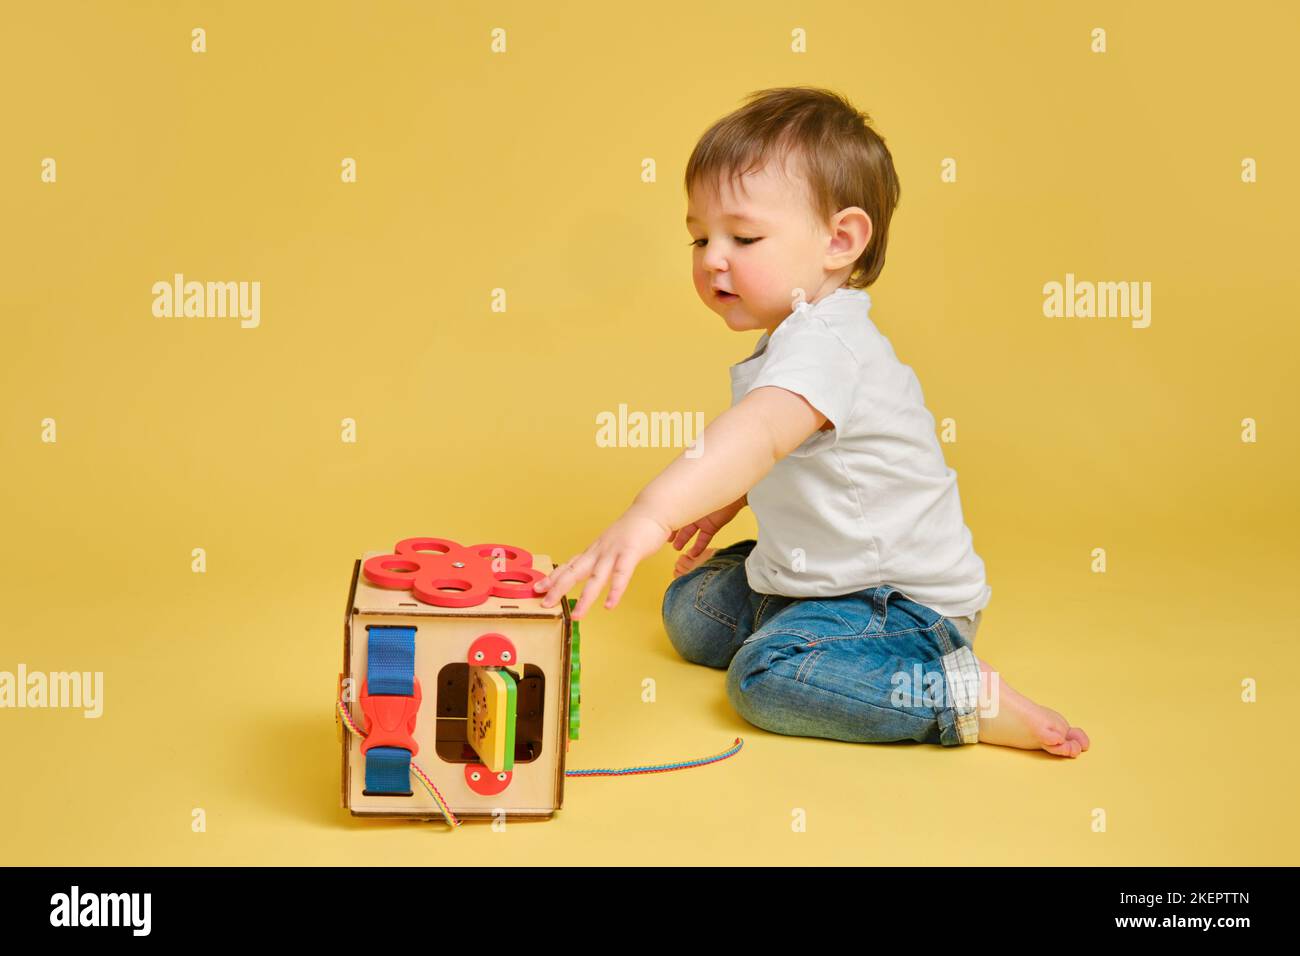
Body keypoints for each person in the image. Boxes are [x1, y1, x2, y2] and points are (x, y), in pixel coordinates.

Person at [532, 87, 1089, 756]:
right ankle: (806, 627)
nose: (712, 256)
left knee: (764, 679)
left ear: (840, 240)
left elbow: (762, 433)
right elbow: (782, 450)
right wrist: (727, 499)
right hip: (824, 577)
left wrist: (650, 513)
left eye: (742, 236)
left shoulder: (830, 344)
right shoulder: (797, 336)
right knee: (692, 613)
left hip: (899, 606)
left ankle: (958, 694)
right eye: (699, 236)